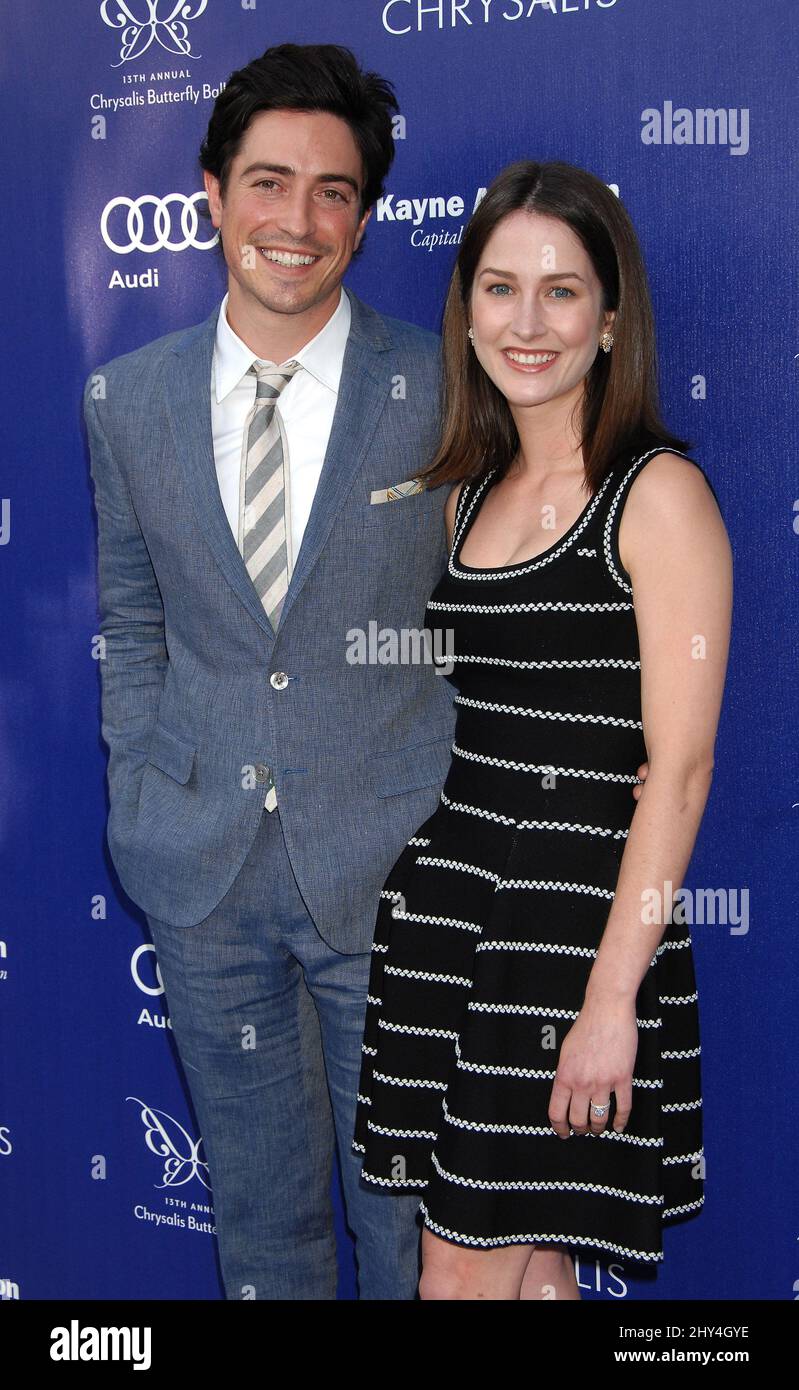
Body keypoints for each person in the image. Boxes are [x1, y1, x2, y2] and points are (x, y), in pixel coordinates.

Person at [83, 42, 462, 1301]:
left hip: (398, 871)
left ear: (364, 215)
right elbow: (133, 622)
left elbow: (486, 613)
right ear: (210, 194)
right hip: (202, 875)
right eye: (268, 181)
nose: (296, 221)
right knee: (262, 1234)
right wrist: (141, 785)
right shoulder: (124, 401)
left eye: (334, 191)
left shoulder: (447, 386)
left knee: (417, 1232)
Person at [352, 160, 732, 1300]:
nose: (527, 322)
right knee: (532, 1270)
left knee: (459, 1277)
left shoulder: (654, 494)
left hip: (571, 936)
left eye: (563, 291)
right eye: (500, 288)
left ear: (612, 320)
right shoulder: (468, 492)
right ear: (464, 309)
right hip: (456, 908)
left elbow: (680, 770)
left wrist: (613, 1000)